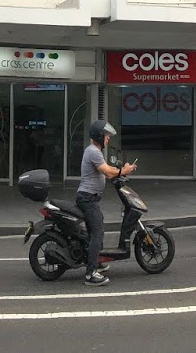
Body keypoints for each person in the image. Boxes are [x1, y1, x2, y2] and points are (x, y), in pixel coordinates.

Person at [76, 119, 134, 287]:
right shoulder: (93, 151)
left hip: (89, 198)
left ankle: (97, 262)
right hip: (87, 198)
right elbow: (108, 172)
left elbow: (108, 170)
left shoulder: (94, 151)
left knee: (97, 227)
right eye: (106, 136)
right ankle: (90, 274)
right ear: (99, 136)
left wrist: (120, 171)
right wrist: (123, 171)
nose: (108, 139)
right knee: (97, 232)